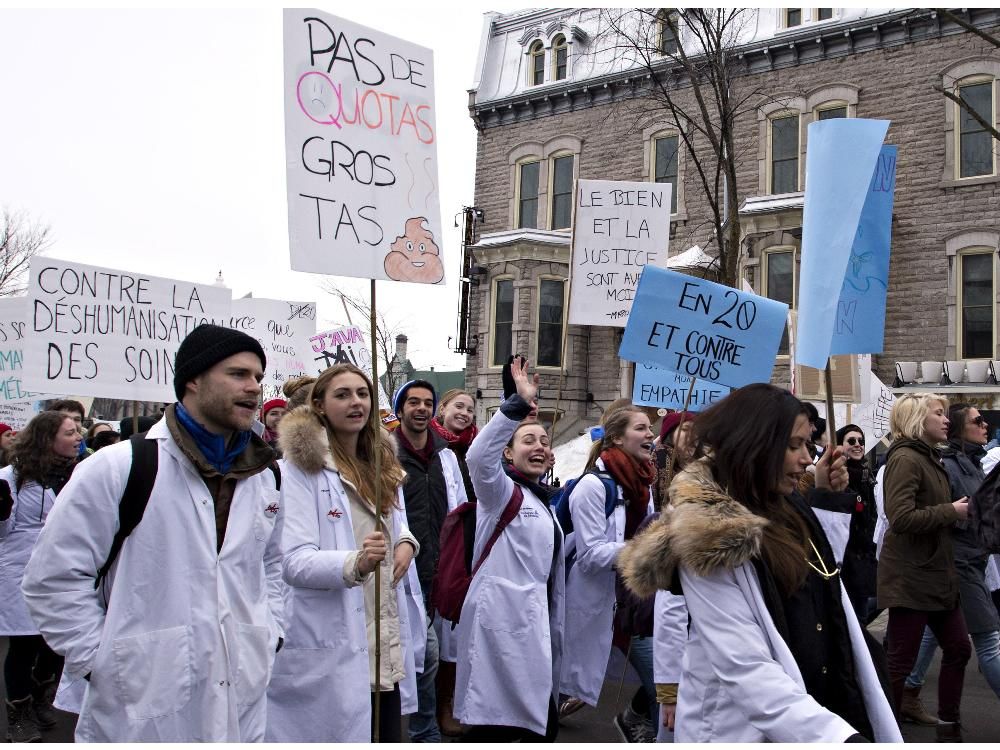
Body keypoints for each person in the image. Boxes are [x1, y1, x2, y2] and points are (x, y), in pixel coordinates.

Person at [21, 324, 285, 742]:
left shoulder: (265, 476)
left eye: (257, 376)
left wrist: (271, 633)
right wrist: (101, 662)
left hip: (241, 688)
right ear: (192, 380)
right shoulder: (120, 467)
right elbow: (51, 580)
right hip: (140, 702)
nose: (254, 387)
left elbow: (270, 565)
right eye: (238, 374)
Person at [618, 384, 901, 742]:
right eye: (794, 445)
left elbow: (819, 579)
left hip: (808, 706)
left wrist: (825, 498)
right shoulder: (710, 537)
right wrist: (837, 738)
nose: (805, 459)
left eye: (807, 445)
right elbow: (748, 670)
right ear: (756, 444)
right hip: (742, 727)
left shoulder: (786, 505)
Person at [267, 364, 422, 742]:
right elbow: (293, 561)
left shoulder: (381, 467)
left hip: (380, 631)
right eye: (343, 395)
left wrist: (406, 542)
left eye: (362, 393)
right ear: (319, 405)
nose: (356, 402)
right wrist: (355, 562)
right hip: (333, 636)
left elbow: (394, 524)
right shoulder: (298, 472)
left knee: (384, 733)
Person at [455, 357, 564, 741]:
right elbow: (477, 458)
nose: (539, 446)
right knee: (496, 728)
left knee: (533, 725)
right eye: (528, 440)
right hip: (501, 628)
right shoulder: (501, 494)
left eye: (544, 441)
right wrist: (515, 406)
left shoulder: (542, 501)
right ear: (508, 452)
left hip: (532, 629)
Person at [559, 405, 657, 742]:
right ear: (616, 437)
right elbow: (589, 556)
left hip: (633, 602)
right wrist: (643, 548)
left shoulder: (645, 483)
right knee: (563, 677)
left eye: (651, 429)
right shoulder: (593, 486)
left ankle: (638, 723)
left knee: (662, 680)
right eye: (642, 428)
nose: (650, 435)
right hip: (597, 599)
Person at [878, 393, 972, 742]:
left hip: (936, 575)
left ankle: (949, 726)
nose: (947, 420)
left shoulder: (931, 458)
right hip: (911, 577)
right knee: (899, 662)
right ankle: (884, 730)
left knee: (960, 648)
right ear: (918, 419)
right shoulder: (905, 459)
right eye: (939, 413)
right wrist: (953, 511)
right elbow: (900, 517)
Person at [901, 403, 1000, 723]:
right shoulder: (939, 463)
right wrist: (962, 516)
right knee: (989, 641)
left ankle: (909, 693)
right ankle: (895, 700)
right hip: (958, 563)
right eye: (978, 421)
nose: (986, 426)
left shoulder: (970, 462)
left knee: (943, 639)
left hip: (969, 560)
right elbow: (910, 515)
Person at [390, 379, 467, 742]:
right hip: (406, 570)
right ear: (400, 409)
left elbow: (459, 508)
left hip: (441, 567)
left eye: (426, 402)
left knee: (430, 652)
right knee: (426, 653)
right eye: (412, 402)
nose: (420, 408)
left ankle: (423, 719)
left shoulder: (445, 456)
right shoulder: (386, 455)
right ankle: (424, 731)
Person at [1, 412, 81, 742]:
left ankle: (39, 698)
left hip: (62, 570)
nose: (78, 436)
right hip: (21, 572)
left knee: (54, 643)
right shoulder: (12, 477)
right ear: (48, 439)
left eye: (79, 430)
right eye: (70, 432)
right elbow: (5, 532)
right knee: (24, 646)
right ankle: (18, 713)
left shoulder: (79, 473)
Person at [428, 387, 479, 736]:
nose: (465, 413)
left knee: (455, 633)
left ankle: (449, 703)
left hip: (466, 546)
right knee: (432, 637)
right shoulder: (433, 448)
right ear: (442, 409)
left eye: (471, 409)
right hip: (433, 545)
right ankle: (427, 710)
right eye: (458, 406)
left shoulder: (474, 450)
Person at [832, 424, 879, 625]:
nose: (858, 445)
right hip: (847, 559)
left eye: (861, 441)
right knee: (854, 617)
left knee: (867, 609)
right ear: (840, 446)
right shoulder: (834, 477)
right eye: (851, 441)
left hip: (867, 555)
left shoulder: (868, 475)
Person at [653, 411, 694, 512]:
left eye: (696, 431)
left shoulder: (698, 465)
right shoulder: (661, 454)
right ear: (670, 434)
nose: (693, 436)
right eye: (685, 429)